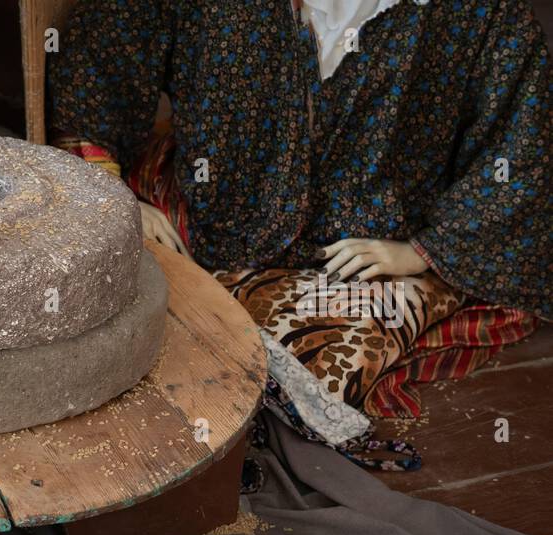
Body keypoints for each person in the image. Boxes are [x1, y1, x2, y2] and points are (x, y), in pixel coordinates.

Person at [50, 0, 551, 418]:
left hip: (360, 256)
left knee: (333, 370)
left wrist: (422, 251)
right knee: (122, 323)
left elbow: (521, 142)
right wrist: (112, 195)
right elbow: (101, 61)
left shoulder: (477, 15)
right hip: (207, 212)